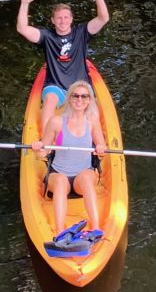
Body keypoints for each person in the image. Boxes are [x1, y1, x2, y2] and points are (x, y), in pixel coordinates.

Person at [17, 0, 109, 135]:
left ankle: (96, 140)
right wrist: (25, 3)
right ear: (53, 20)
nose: (63, 21)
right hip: (56, 87)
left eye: (66, 17)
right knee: (49, 101)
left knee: (92, 111)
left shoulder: (82, 32)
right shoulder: (47, 36)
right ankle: (48, 140)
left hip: (80, 85)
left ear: (71, 19)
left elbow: (103, 18)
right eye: (59, 18)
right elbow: (22, 29)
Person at [30, 80, 107, 247]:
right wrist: (37, 149)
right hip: (59, 175)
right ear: (69, 98)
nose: (80, 100)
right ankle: (60, 233)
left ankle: (95, 229)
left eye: (84, 96)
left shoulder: (92, 121)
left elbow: (102, 147)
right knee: (60, 181)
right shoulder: (57, 122)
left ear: (89, 100)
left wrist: (101, 148)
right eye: (75, 96)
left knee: (87, 178)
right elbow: (44, 152)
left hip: (81, 177)